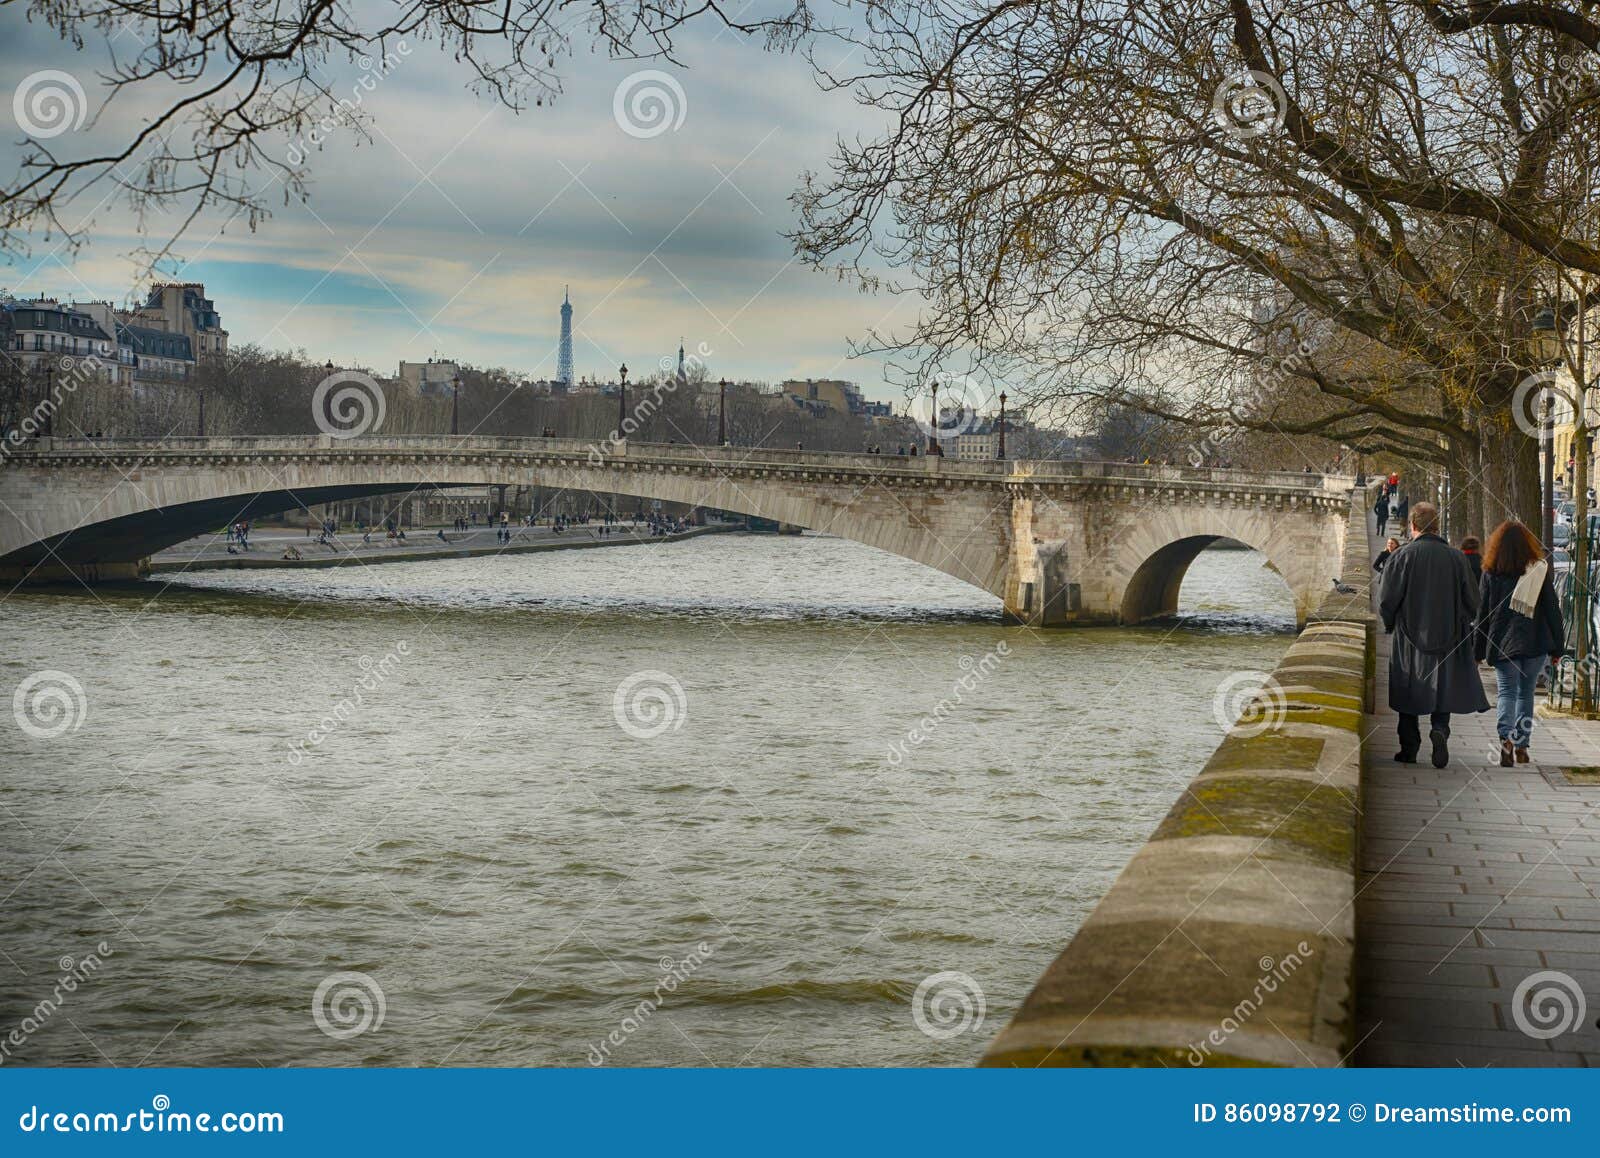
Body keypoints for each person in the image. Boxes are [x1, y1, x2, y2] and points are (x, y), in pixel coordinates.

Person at [1379, 501, 1488, 767]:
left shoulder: (1401, 556)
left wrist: (1390, 624)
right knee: (1442, 689)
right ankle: (1440, 730)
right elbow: (1473, 601)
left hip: (1409, 635)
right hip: (1449, 635)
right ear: (1437, 526)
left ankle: (1409, 747)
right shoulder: (1457, 558)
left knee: (1408, 690)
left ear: (1413, 526)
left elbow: (1387, 600)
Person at [1474, 520, 1564, 766]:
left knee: (1507, 691)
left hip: (1503, 642)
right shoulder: (1538, 570)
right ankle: (1522, 746)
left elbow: (1483, 614)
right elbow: (1552, 609)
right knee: (1526, 694)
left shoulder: (1491, 573)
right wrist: (1558, 647)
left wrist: (1477, 651)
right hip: (1535, 642)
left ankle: (1506, 740)